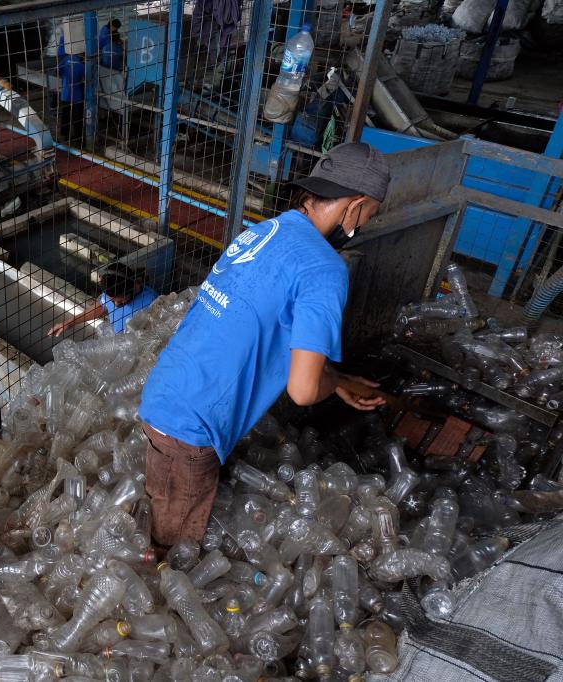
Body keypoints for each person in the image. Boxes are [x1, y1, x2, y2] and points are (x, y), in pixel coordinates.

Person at [138, 142, 391, 548]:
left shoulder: (266, 230)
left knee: (164, 500)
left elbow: (267, 327)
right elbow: (303, 390)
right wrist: (325, 383)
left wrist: (336, 377)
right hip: (191, 427)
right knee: (175, 548)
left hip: (167, 392)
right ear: (355, 204)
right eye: (369, 215)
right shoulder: (325, 268)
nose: (365, 223)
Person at [48, 263, 156, 337]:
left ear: (134, 286)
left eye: (120, 300)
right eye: (112, 300)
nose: (116, 304)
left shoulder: (151, 303)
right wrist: (70, 323)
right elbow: (102, 306)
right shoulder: (113, 288)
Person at [57, 37, 86, 147]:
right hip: (77, 95)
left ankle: (65, 134)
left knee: (65, 115)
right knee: (77, 117)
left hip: (65, 94)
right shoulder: (81, 64)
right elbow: (86, 78)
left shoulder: (65, 60)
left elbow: (57, 71)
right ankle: (79, 139)